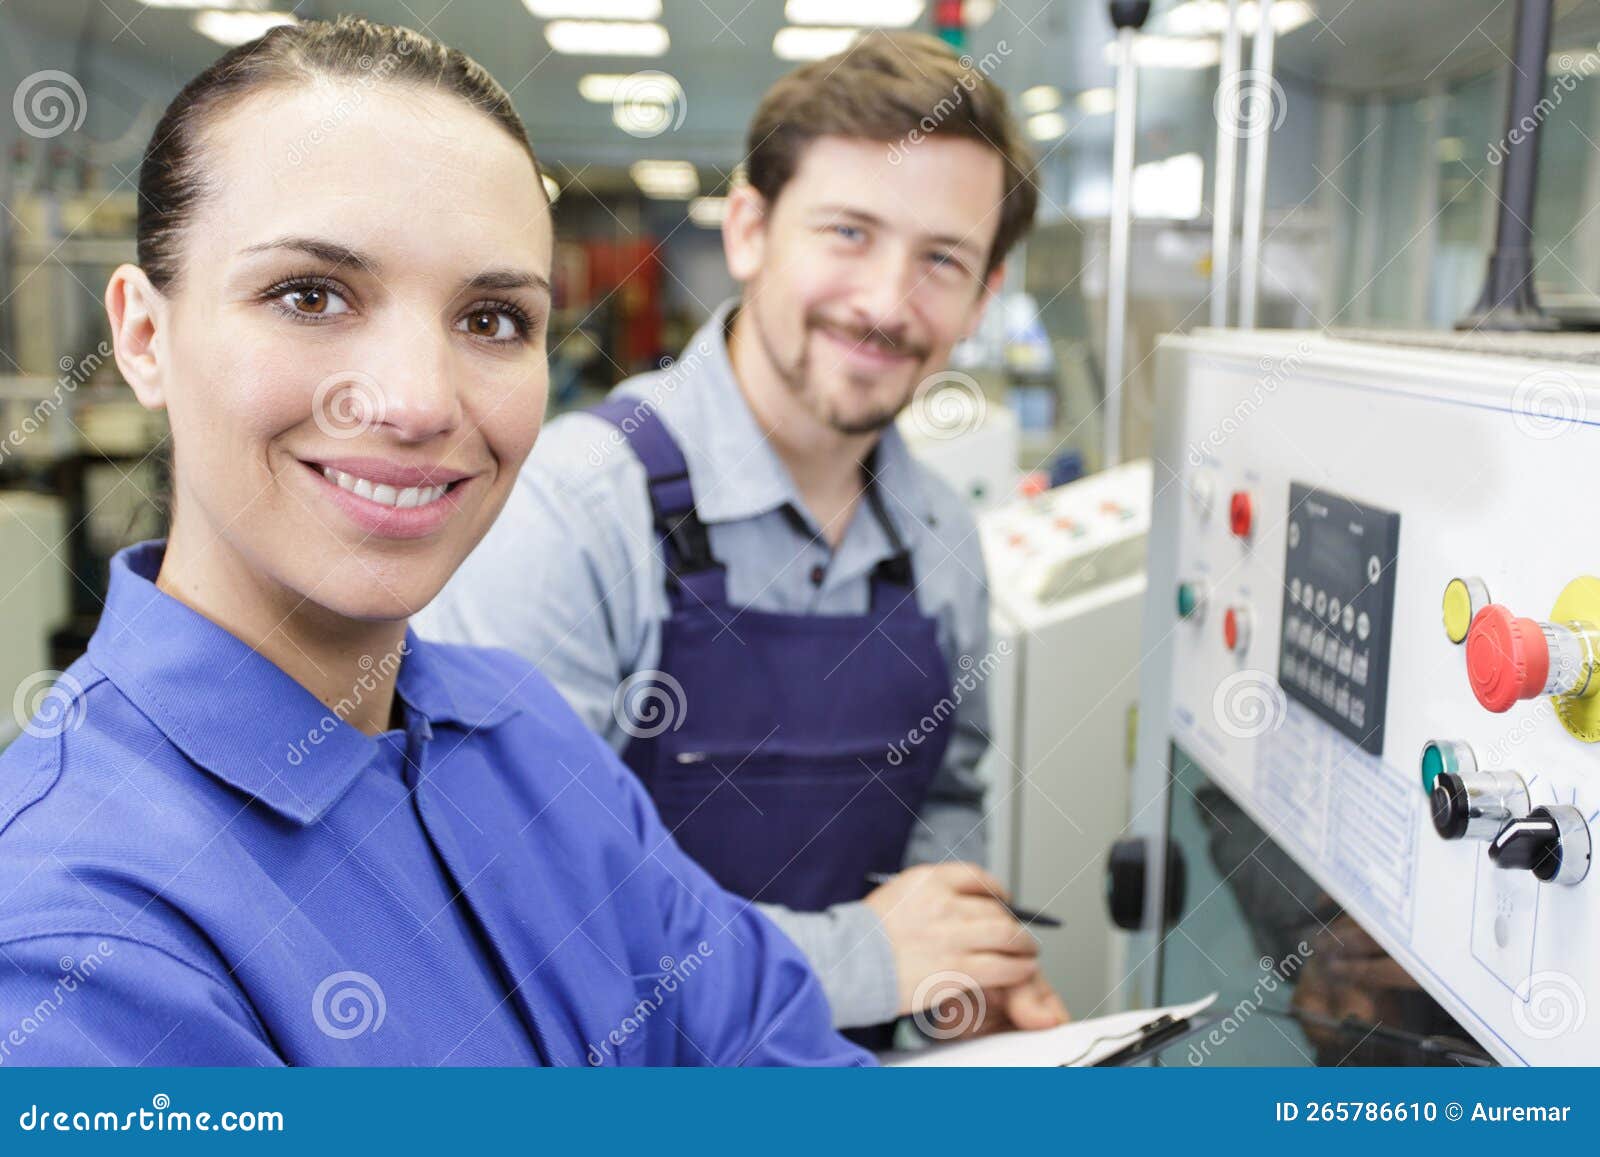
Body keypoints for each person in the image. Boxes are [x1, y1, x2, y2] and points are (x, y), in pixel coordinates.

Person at [0, 17, 866, 1068]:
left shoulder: (519, 734)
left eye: (493, 318)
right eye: (309, 295)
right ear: (143, 335)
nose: (415, 402)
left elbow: (777, 1047)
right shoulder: (66, 936)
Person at [419, 31, 1067, 1041]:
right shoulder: (574, 507)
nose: (886, 302)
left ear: (982, 298)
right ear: (752, 229)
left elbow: (946, 796)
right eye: (848, 232)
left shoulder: (940, 530)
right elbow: (519, 907)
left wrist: (960, 985)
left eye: (941, 259)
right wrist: (868, 956)